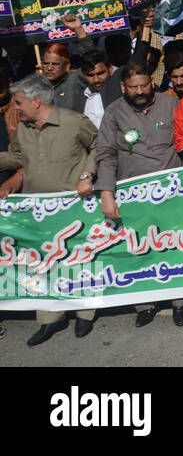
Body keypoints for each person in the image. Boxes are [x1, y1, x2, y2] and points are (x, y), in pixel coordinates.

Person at [0, 75, 98, 345]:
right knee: (42, 263)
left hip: (73, 208)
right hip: (37, 211)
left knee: (78, 260)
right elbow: (18, 157)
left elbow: (99, 146)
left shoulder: (73, 121)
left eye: (18, 102)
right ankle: (49, 319)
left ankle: (84, 313)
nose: (15, 108)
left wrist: (88, 173)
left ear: (36, 101)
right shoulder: (23, 128)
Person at [96, 62, 183, 327]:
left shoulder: (172, 105)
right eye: (133, 87)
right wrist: (106, 192)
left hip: (173, 192)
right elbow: (105, 154)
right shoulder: (113, 112)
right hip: (133, 195)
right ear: (124, 87)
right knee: (139, 248)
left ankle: (180, 300)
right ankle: (145, 303)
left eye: (144, 85)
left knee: (175, 245)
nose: (139, 91)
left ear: (152, 82)